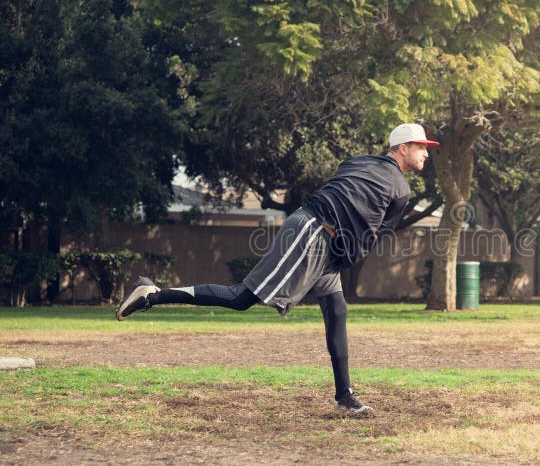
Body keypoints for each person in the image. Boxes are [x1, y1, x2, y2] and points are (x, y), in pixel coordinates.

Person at [115, 123, 439, 415]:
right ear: (402, 148)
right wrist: (345, 244)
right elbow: (374, 232)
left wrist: (342, 250)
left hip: (329, 246)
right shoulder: (398, 188)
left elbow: (359, 214)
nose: (426, 152)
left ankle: (344, 396)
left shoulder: (357, 162)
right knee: (241, 298)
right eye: (421, 146)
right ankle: (153, 295)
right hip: (312, 232)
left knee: (337, 310)